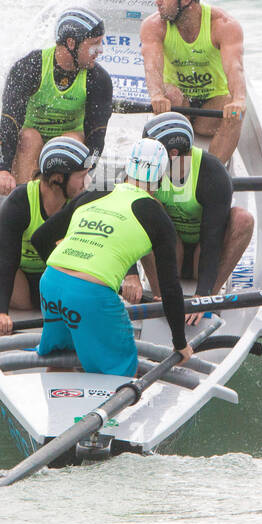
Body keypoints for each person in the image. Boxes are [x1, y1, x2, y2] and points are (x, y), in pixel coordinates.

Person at [30, 139, 193, 376]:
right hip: (92, 297)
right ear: (161, 178)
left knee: (60, 359)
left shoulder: (95, 192)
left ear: (127, 170)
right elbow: (170, 289)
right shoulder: (158, 217)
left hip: (51, 284)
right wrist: (181, 344)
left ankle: (55, 403)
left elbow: (40, 238)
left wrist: (69, 274)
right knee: (122, 371)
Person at [0, 137, 114, 335]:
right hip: (23, 287)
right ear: (58, 179)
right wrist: (0, 310)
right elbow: (6, 263)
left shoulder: (84, 200)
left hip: (63, 286)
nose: (88, 182)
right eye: (82, 175)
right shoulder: (19, 203)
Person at [138, 112, 254, 320]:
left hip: (204, 255)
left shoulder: (212, 174)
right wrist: (130, 276)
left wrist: (203, 293)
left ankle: (210, 298)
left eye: (153, 151)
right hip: (170, 252)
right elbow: (125, 218)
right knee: (141, 206)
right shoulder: (146, 168)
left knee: (243, 219)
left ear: (172, 153)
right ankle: (160, 295)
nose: (147, 156)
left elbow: (212, 239)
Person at [0, 7, 114, 194]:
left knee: (73, 139)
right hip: (30, 146)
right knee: (29, 137)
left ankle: (61, 202)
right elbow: (10, 121)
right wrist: (2, 169)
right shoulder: (29, 68)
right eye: (94, 44)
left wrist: (87, 170)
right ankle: (23, 198)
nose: (100, 51)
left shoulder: (99, 80)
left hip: (68, 144)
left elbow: (96, 137)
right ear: (71, 43)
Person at [140, 0, 247, 165]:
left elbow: (235, 68)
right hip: (178, 104)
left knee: (234, 110)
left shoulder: (224, 25)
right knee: (169, 95)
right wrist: (156, 95)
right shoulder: (153, 26)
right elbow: (151, 67)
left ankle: (212, 169)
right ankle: (178, 157)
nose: (157, 2)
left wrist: (239, 100)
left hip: (212, 107)